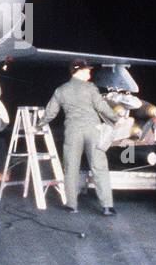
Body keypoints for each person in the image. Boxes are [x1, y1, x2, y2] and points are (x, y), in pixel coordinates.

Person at [44, 59, 117, 216]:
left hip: (72, 131)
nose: (89, 73)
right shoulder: (90, 88)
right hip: (93, 130)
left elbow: (50, 112)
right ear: (78, 71)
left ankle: (71, 205)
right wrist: (117, 118)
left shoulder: (61, 90)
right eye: (87, 70)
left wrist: (38, 124)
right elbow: (101, 106)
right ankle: (107, 206)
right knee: (99, 167)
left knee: (71, 168)